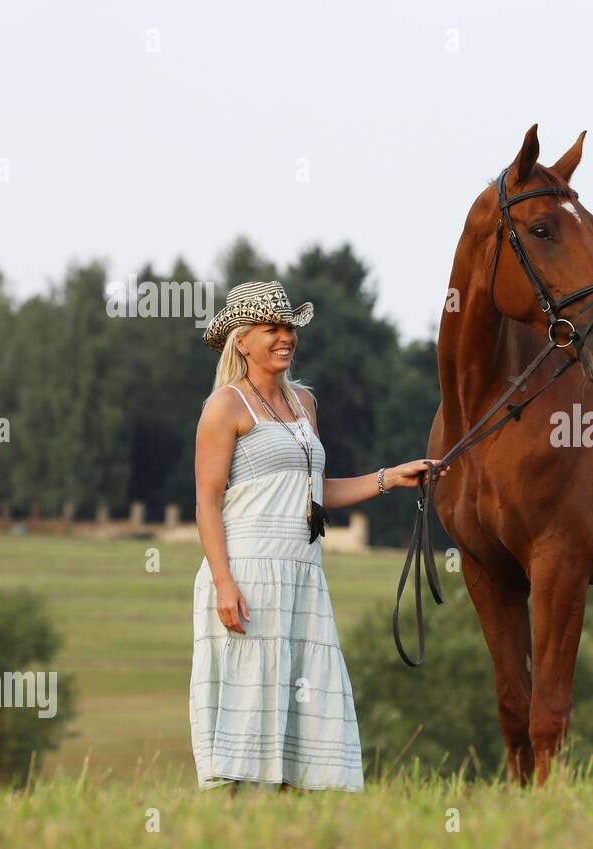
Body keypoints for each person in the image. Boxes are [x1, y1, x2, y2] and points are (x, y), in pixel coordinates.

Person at [190, 280, 444, 792]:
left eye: (289, 328)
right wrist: (223, 582)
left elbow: (316, 491)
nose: (286, 337)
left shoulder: (304, 403)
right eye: (272, 328)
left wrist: (390, 477)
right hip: (248, 575)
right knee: (249, 705)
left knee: (303, 710)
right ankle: (229, 828)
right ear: (242, 340)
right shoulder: (225, 407)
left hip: (302, 575)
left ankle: (293, 827)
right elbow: (206, 503)